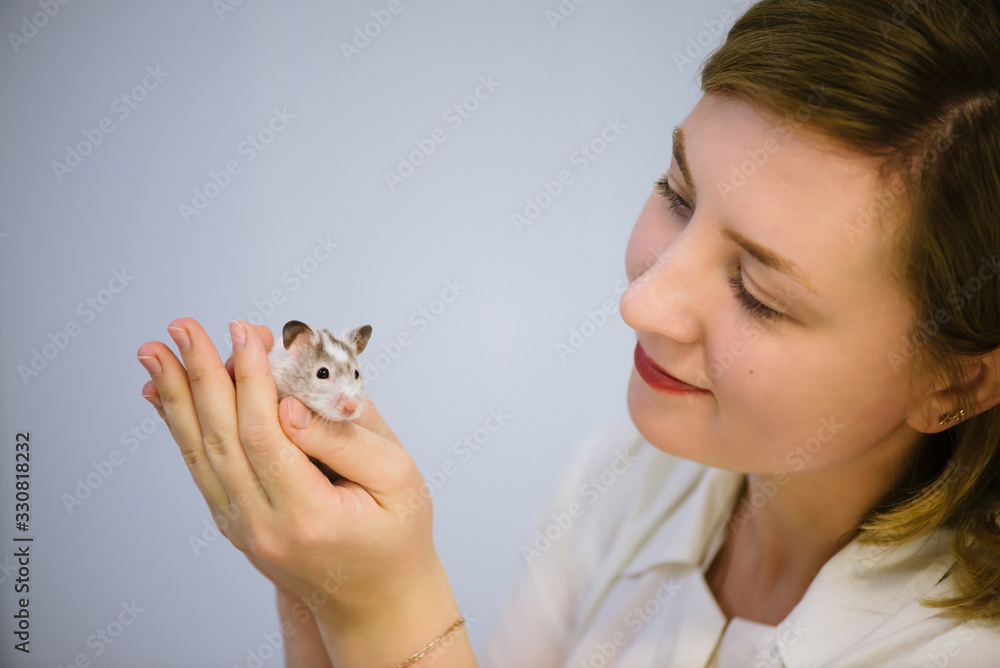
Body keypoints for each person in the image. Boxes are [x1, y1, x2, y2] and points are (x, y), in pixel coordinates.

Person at [137, 0, 1000, 665]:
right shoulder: (623, 481)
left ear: (954, 381)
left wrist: (387, 608)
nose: (642, 303)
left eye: (759, 292)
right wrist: (322, 592)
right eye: (677, 194)